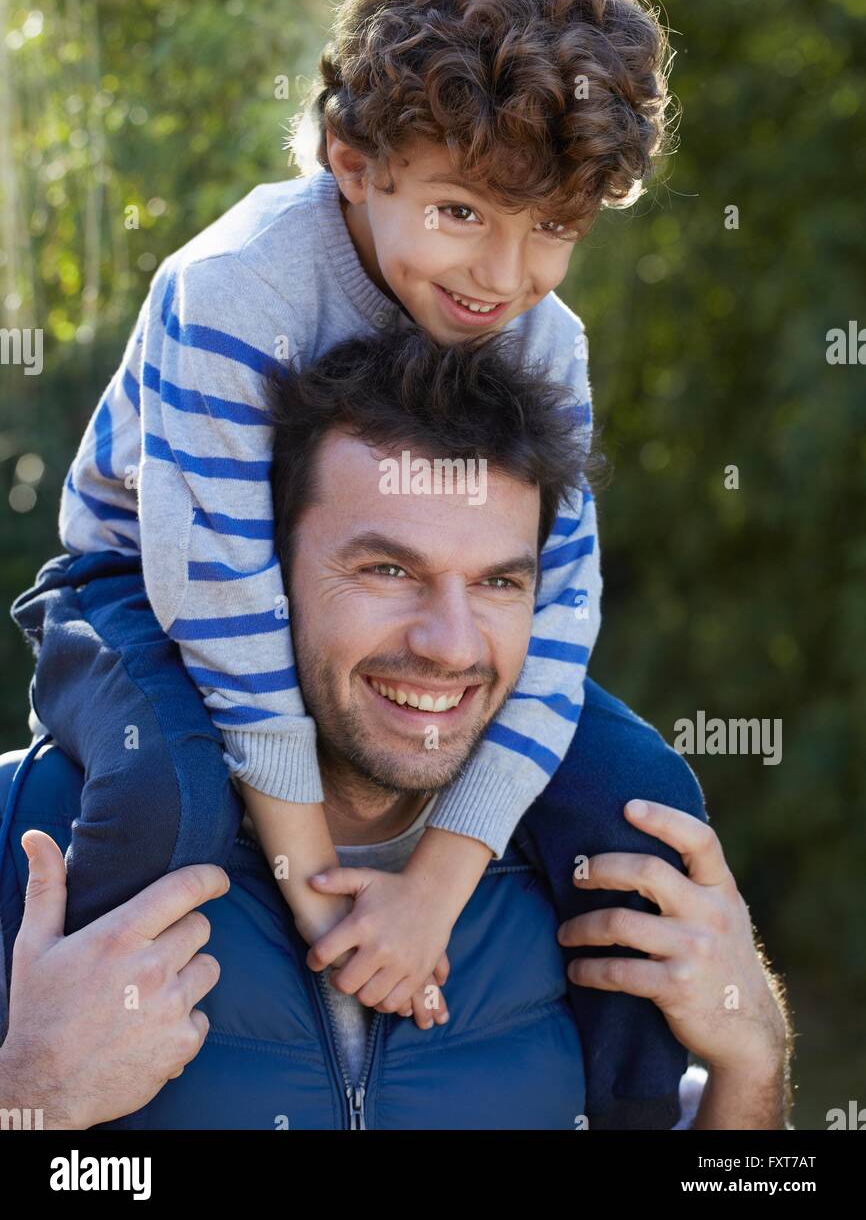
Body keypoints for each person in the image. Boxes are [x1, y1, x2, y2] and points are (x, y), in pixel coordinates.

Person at [9, 0, 673, 1024]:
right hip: (140, 589)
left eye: (552, 227)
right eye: (461, 210)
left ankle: (626, 1107)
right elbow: (214, 590)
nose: (502, 277)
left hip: (377, 608)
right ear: (351, 159)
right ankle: (100, 1060)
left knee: (638, 797)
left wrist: (434, 886)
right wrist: (322, 897)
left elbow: (557, 616)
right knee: (161, 792)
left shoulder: (546, 342)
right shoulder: (234, 289)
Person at [0, 332, 791, 1130]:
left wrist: (752, 1057)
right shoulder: (36, 837)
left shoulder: (596, 861)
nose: (449, 644)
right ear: (257, 577)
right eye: (388, 571)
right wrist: (31, 1098)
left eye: (497, 582)